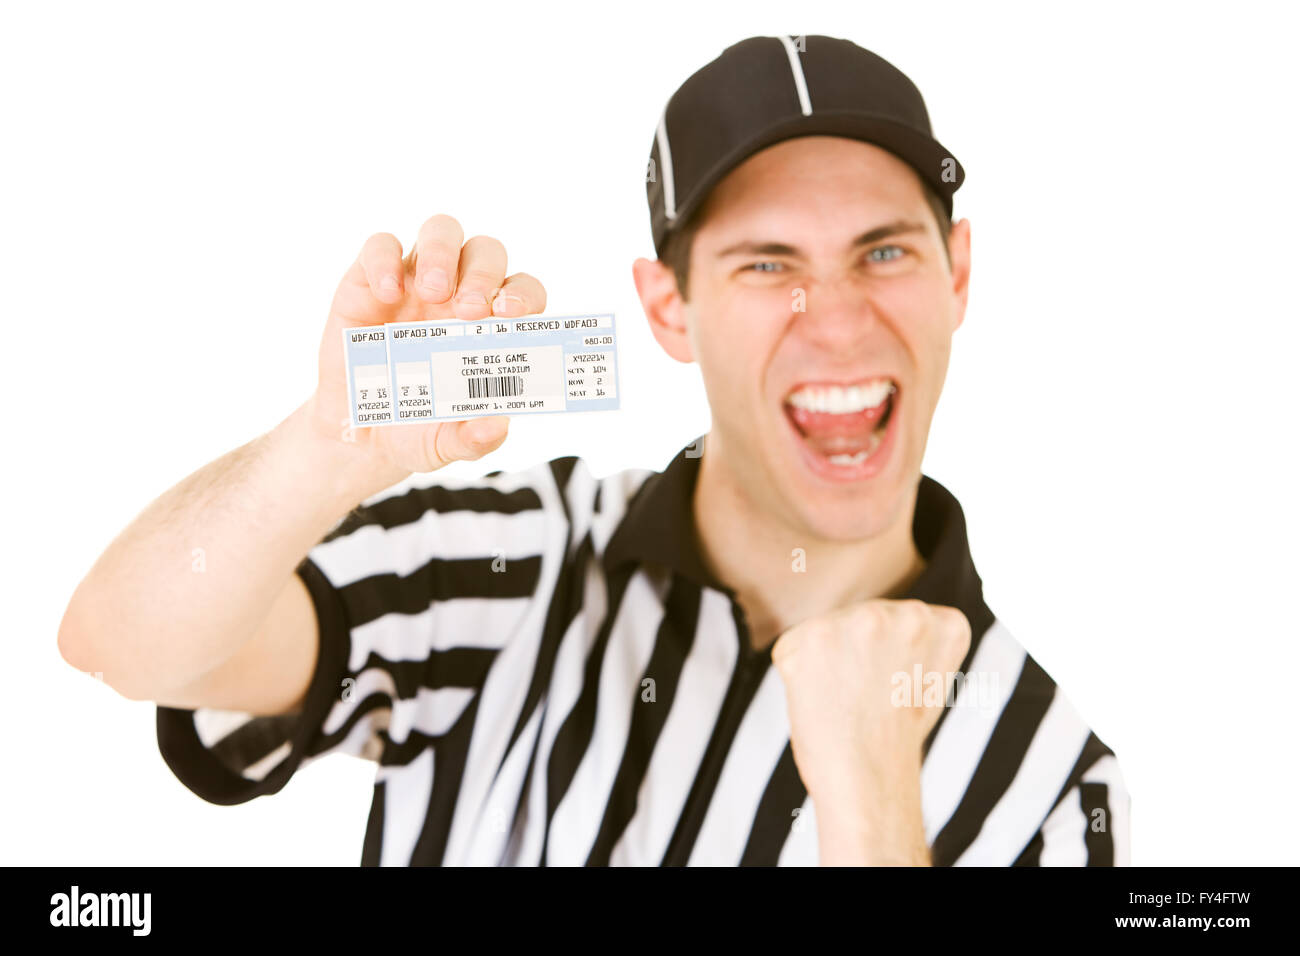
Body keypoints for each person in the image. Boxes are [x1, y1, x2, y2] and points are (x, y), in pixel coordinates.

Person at [58, 34, 1129, 866]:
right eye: (766, 264)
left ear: (956, 274)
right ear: (669, 309)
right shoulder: (513, 557)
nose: (837, 319)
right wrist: (329, 447)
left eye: (883, 250)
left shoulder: (1052, 780)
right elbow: (120, 643)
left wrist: (874, 805)